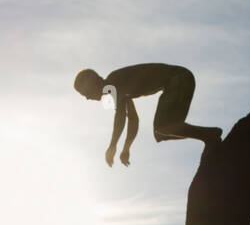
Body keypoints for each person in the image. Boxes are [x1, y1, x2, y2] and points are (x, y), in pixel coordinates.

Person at [73, 62, 222, 166]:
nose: (86, 97)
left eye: (84, 92)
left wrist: (112, 145)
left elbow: (120, 117)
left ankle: (210, 135)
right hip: (177, 81)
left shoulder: (113, 82)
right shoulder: (118, 90)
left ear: (91, 83)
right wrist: (126, 149)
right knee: (161, 133)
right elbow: (133, 120)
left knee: (163, 127)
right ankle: (208, 136)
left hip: (179, 78)